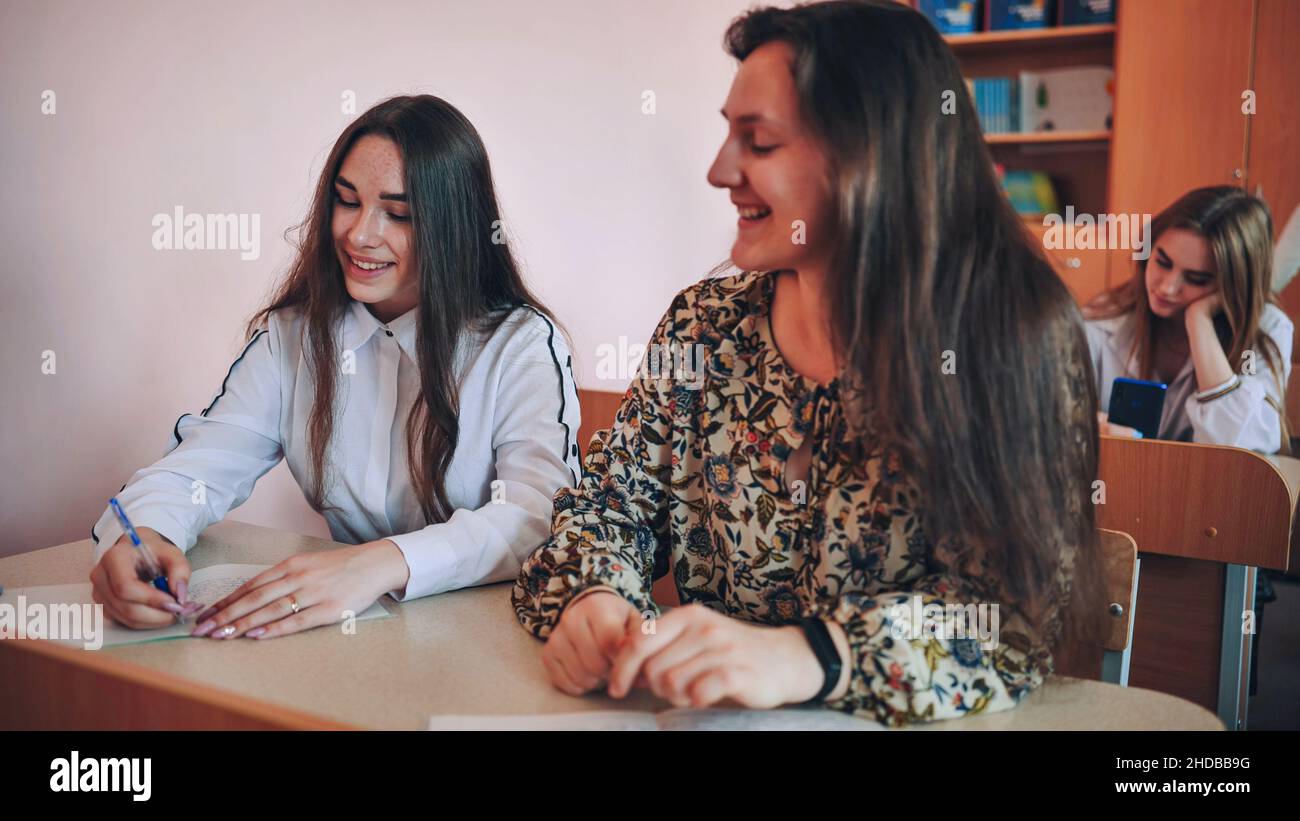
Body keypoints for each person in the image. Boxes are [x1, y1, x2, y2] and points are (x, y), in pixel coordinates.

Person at [512, 0, 1105, 726]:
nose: (717, 170)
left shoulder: (1010, 339)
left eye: (757, 143)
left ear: (869, 152)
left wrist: (809, 656)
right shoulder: (706, 324)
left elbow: (1012, 626)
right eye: (727, 135)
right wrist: (595, 597)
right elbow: (607, 508)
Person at [90, 95, 580, 640]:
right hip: (353, 634)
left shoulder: (520, 344)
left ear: (456, 228)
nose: (360, 234)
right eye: (347, 202)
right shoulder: (293, 336)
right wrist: (144, 535)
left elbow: (539, 517)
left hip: (487, 637)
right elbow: (198, 468)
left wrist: (378, 563)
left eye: (398, 214)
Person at [1087, 186, 1290, 452]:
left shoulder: (1267, 328)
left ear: (1233, 285)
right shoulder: (1104, 317)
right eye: (1162, 262)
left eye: (1197, 279)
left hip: (1206, 491)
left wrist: (1200, 323)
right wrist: (1089, 426)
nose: (1168, 288)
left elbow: (1246, 450)